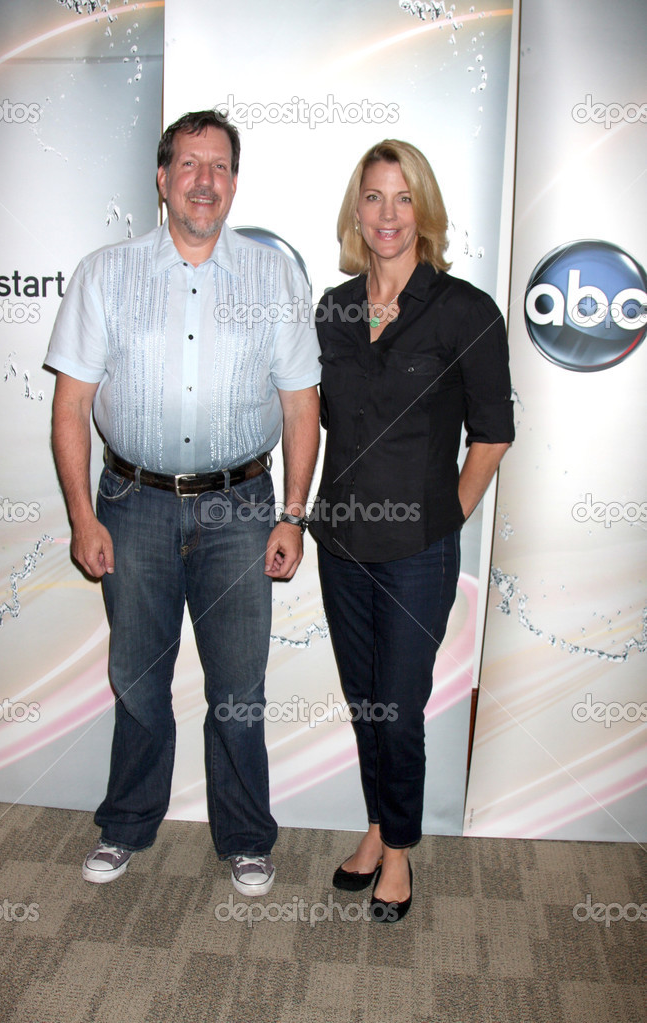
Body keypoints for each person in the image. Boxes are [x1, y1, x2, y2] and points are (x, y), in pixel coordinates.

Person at [46, 110, 320, 896]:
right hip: (131, 504)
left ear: (235, 182)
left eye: (221, 166)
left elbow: (302, 406)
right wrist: (82, 515)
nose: (205, 180)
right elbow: (71, 407)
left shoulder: (275, 277)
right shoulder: (106, 273)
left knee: (239, 685)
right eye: (190, 165)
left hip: (242, 508)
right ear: (162, 179)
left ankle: (244, 837)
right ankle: (127, 823)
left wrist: (293, 515)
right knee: (138, 678)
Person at [309, 140, 514, 922]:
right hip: (343, 546)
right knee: (366, 703)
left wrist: (444, 518)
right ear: (355, 210)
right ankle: (375, 824)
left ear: (423, 211)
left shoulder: (464, 310)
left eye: (402, 198)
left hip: (417, 553)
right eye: (373, 197)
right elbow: (317, 422)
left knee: (398, 707)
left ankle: (398, 853)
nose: (387, 215)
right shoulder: (333, 309)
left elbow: (491, 435)